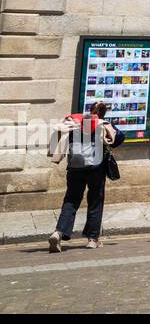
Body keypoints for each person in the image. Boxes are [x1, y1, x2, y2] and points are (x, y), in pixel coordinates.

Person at [48, 103, 124, 252]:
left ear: (88, 111)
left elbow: (58, 139)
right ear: (102, 113)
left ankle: (58, 233)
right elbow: (119, 138)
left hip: (75, 168)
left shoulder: (73, 121)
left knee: (70, 200)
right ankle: (92, 239)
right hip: (96, 169)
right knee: (95, 201)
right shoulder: (103, 123)